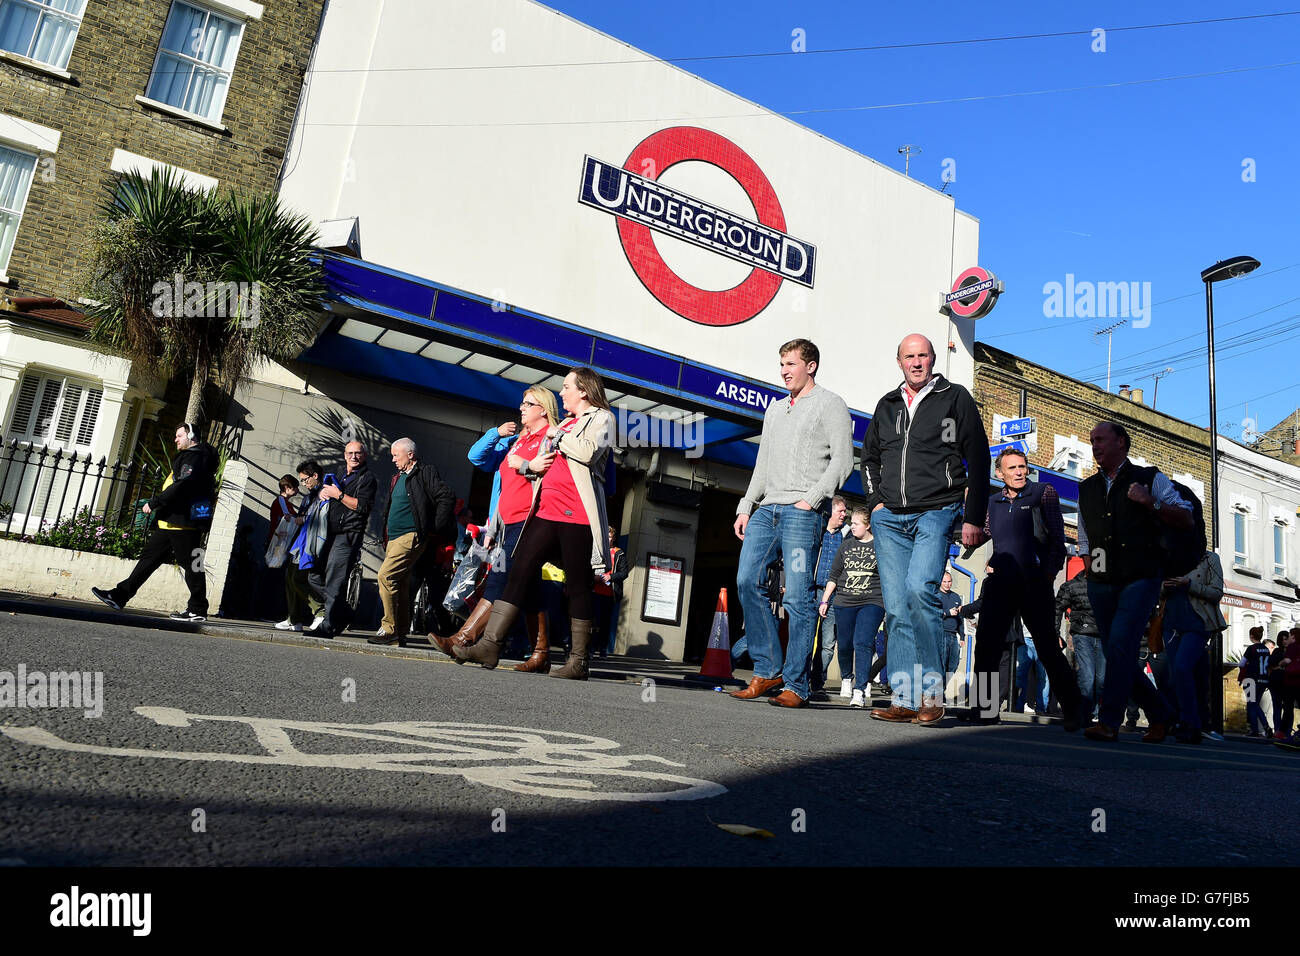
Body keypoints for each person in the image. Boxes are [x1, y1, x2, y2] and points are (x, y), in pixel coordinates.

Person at [454, 367, 615, 679]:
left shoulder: (602, 418)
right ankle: (489, 645)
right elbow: (540, 467)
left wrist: (556, 435)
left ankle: (578, 661)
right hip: (545, 511)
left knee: (578, 586)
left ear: (583, 390)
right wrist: (528, 466)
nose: (563, 392)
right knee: (518, 570)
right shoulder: (567, 423)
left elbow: (589, 452)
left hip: (577, 514)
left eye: (567, 386)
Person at [862, 333, 990, 725]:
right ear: (898, 361)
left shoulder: (955, 398)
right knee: (897, 607)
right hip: (889, 518)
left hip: (936, 510)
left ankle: (932, 694)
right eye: (908, 356)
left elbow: (979, 459)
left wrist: (972, 517)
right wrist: (875, 504)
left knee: (920, 591)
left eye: (922, 355)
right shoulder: (886, 405)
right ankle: (904, 697)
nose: (916, 362)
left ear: (933, 359)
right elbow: (869, 458)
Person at [729, 339, 853, 709]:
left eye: (790, 364)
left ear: (810, 366)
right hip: (766, 511)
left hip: (802, 513)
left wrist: (811, 499)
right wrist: (745, 506)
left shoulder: (831, 404)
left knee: (798, 597)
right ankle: (768, 668)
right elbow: (762, 463)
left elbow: (843, 461)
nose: (784, 371)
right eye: (781, 364)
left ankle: (797, 685)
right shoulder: (774, 410)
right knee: (746, 580)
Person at [1078, 421, 1193, 743]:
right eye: (1091, 441)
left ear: (1121, 443)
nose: (1095, 446)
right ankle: (1161, 713)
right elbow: (1085, 531)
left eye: (1101, 439)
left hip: (1141, 577)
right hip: (1101, 580)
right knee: (1119, 653)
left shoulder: (1149, 479)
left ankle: (1109, 721)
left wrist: (1149, 502)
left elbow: (1186, 517)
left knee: (1119, 647)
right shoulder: (1087, 488)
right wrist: (1087, 563)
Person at [431, 386, 559, 667]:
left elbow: (553, 476)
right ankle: (541, 653)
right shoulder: (518, 440)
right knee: (529, 587)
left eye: (528, 403)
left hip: (530, 522)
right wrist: (495, 434)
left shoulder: (550, 437)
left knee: (500, 579)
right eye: (522, 403)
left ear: (543, 409)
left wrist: (526, 464)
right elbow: (476, 457)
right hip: (506, 524)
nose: (522, 407)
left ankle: (463, 639)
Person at [92, 423, 217, 622]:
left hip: (184, 522)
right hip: (171, 521)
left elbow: (182, 484)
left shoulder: (195, 457)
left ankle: (198, 609)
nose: (175, 439)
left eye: (179, 436)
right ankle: (119, 596)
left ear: (191, 436)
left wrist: (156, 502)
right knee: (149, 559)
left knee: (194, 564)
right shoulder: (195, 456)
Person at [372, 438, 454, 646]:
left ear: (410, 455)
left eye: (395, 455)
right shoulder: (397, 477)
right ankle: (399, 633)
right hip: (393, 537)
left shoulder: (425, 472)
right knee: (400, 583)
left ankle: (388, 629)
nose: (392, 459)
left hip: (411, 535)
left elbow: (446, 496)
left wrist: (431, 528)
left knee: (385, 576)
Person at [305, 441, 376, 639]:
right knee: (314, 576)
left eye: (358, 453)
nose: (354, 457)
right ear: (345, 455)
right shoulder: (338, 472)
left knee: (335, 581)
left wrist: (339, 494)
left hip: (348, 534)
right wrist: (322, 492)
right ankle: (344, 613)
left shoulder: (367, 478)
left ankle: (327, 627)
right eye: (350, 453)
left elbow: (362, 507)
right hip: (327, 532)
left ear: (364, 456)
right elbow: (324, 493)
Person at [1159, 545, 1226, 743]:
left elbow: (1216, 592)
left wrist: (1189, 584)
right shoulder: (1169, 556)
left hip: (1198, 622)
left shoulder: (1209, 558)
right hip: (1170, 622)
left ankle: (1190, 722)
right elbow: (1155, 591)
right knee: (1177, 675)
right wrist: (1165, 586)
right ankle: (1187, 721)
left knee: (1182, 667)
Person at [818, 508, 885, 708]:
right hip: (844, 601)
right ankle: (847, 678)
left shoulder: (880, 547)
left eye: (856, 523)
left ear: (868, 525)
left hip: (872, 601)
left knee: (863, 642)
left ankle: (860, 690)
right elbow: (834, 575)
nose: (852, 526)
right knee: (845, 644)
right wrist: (825, 600)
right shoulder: (845, 546)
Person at [811, 496, 851, 698]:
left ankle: (817, 679)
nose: (844, 515)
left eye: (845, 512)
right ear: (831, 512)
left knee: (828, 643)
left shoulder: (847, 536)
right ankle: (799, 677)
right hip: (812, 590)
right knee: (807, 638)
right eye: (841, 511)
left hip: (835, 595)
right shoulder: (816, 531)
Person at [279, 461, 325, 632]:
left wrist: (303, 519)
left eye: (305, 480)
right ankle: (293, 619)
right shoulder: (309, 497)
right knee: (290, 578)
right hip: (300, 542)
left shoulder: (323, 494)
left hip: (310, 543)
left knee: (298, 579)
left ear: (315, 476)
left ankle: (320, 612)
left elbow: (320, 518)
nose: (304, 484)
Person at [1056, 565, 1103, 720]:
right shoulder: (1071, 586)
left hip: (1103, 636)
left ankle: (1093, 712)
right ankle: (1085, 713)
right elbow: (1057, 609)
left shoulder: (1107, 584)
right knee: (1087, 676)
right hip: (1082, 635)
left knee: (1101, 679)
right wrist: (1055, 633)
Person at [594, 525, 629, 657]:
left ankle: (603, 649)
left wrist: (611, 576)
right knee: (593, 622)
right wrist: (594, 578)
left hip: (610, 594)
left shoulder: (619, 553)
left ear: (613, 538)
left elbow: (624, 573)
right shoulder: (597, 551)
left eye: (610, 536)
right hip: (595, 592)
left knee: (605, 623)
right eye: (605, 536)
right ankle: (590, 649)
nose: (607, 539)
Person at [1237, 626, 1273, 737]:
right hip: (1263, 680)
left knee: (1252, 704)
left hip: (1251, 680)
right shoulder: (1266, 649)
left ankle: (1255, 730)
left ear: (1251, 636)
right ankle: (1266, 727)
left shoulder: (1251, 649)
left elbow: (1241, 664)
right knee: (1255, 704)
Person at [939, 571, 964, 697]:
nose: (947, 584)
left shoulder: (956, 597)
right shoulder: (936, 596)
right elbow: (933, 615)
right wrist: (948, 613)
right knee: (941, 664)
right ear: (940, 581)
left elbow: (960, 618)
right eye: (945, 582)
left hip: (954, 636)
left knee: (953, 665)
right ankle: (939, 693)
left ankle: (941, 689)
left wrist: (962, 636)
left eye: (949, 581)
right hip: (941, 633)